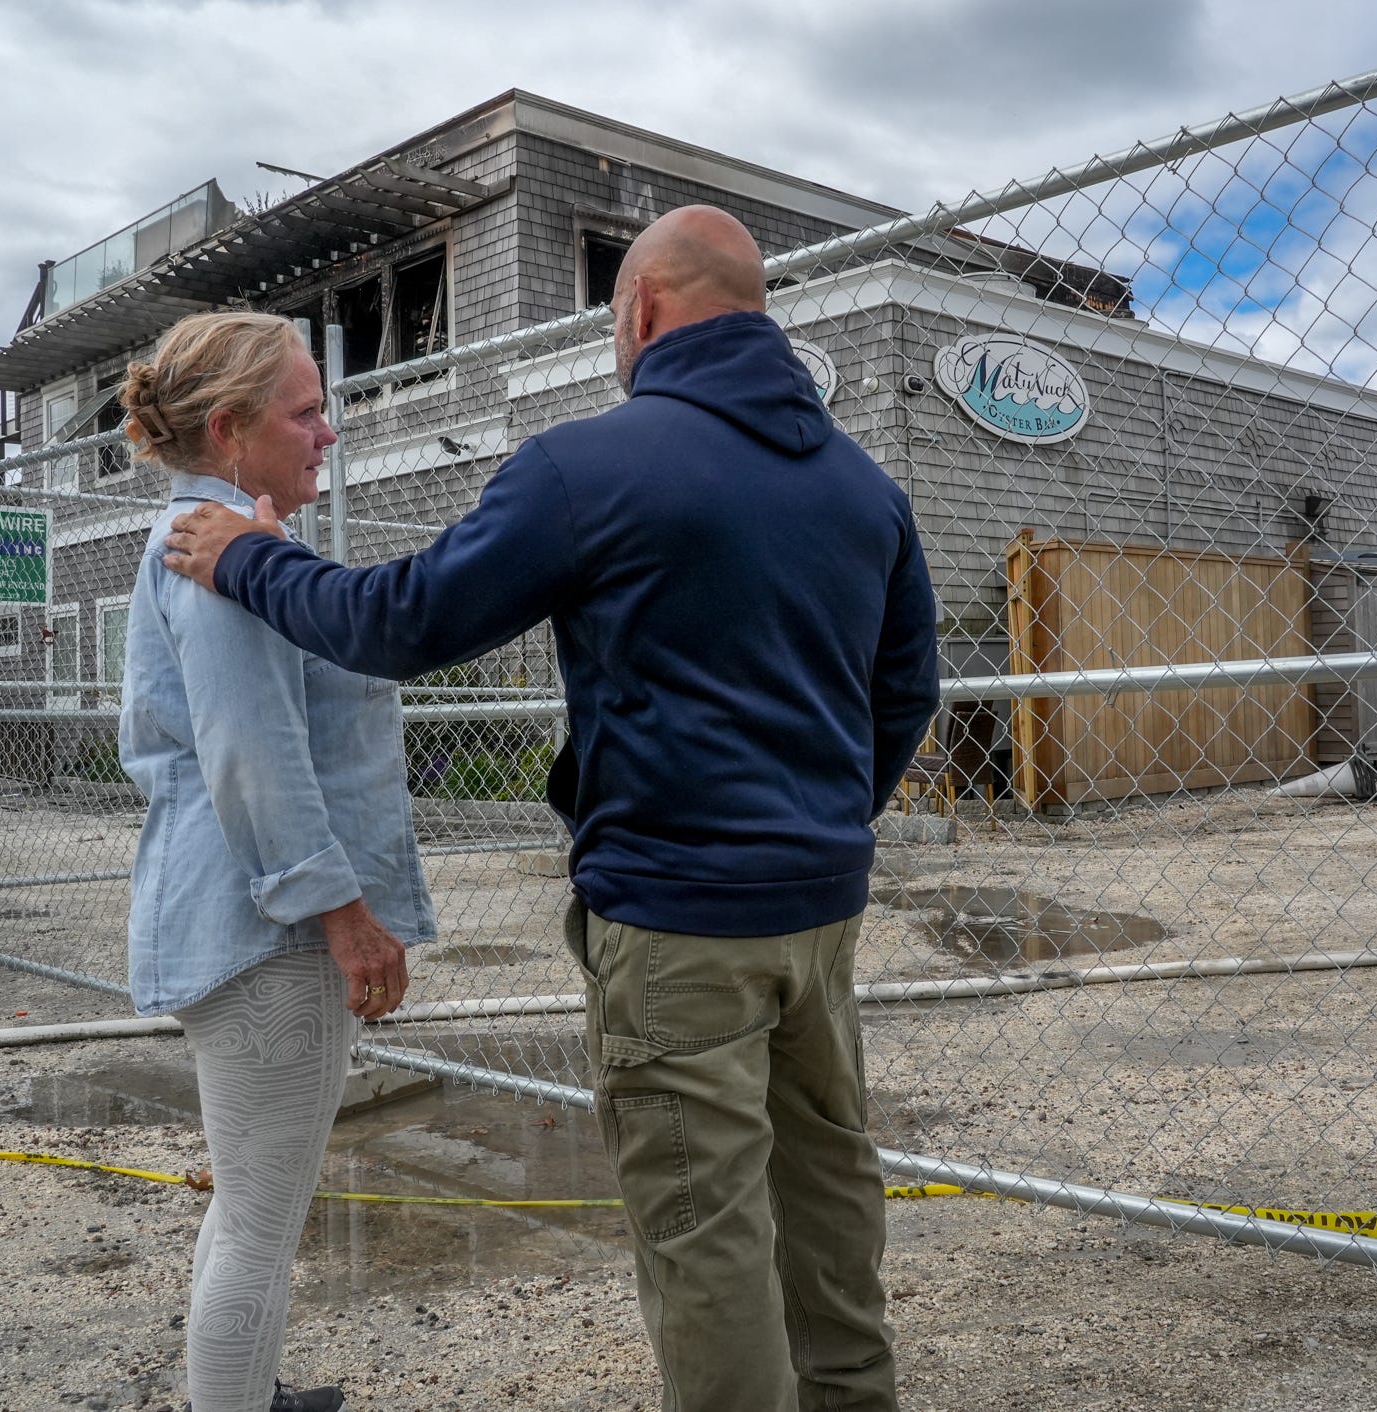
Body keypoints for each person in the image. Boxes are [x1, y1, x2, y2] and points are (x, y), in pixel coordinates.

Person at [163, 205, 937, 1412]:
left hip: (676, 922)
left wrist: (249, 558)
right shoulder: (866, 491)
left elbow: (407, 621)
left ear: (639, 313)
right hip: (821, 911)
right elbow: (907, 692)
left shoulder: (589, 468)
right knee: (830, 1182)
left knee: (706, 1223)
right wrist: (824, 827)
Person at [115, 310, 436, 1412]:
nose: (328, 432)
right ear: (229, 428)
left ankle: (239, 1392)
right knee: (260, 1217)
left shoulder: (222, 540)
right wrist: (344, 913)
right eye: (306, 411)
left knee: (249, 1197)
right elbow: (254, 754)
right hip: (271, 932)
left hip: (244, 919)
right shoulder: (215, 556)